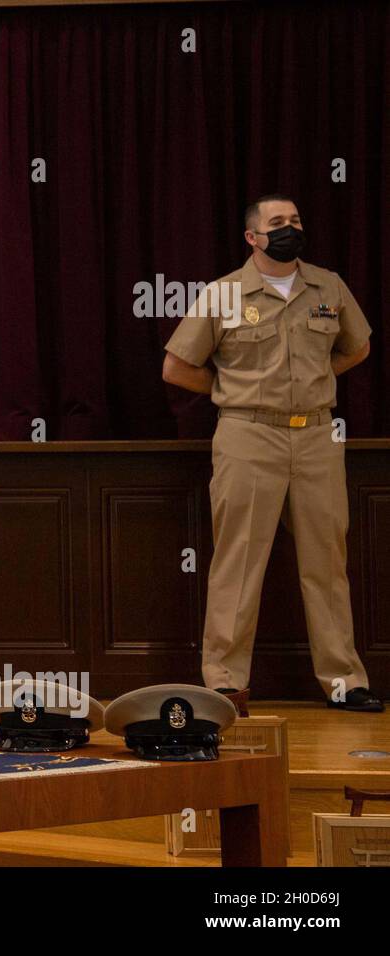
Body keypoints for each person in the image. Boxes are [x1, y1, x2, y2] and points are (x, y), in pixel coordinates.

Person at [163, 194, 382, 712]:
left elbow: (358, 347)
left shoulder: (328, 285)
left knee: (326, 563)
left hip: (317, 437)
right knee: (238, 561)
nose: (290, 228)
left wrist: (316, 379)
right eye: (278, 222)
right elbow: (177, 366)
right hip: (249, 435)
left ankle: (343, 682)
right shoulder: (223, 293)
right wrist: (233, 389)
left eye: (296, 220)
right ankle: (225, 682)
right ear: (252, 237)